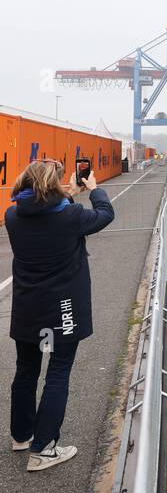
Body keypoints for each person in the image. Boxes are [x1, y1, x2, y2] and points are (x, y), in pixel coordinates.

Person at [4, 158, 114, 471]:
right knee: (58, 370)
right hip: (62, 309)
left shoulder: (13, 215)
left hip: (28, 309)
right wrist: (94, 190)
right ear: (55, 184)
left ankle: (22, 435)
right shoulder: (71, 216)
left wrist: (67, 195)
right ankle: (44, 448)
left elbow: (48, 212)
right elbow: (105, 214)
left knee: (26, 370)